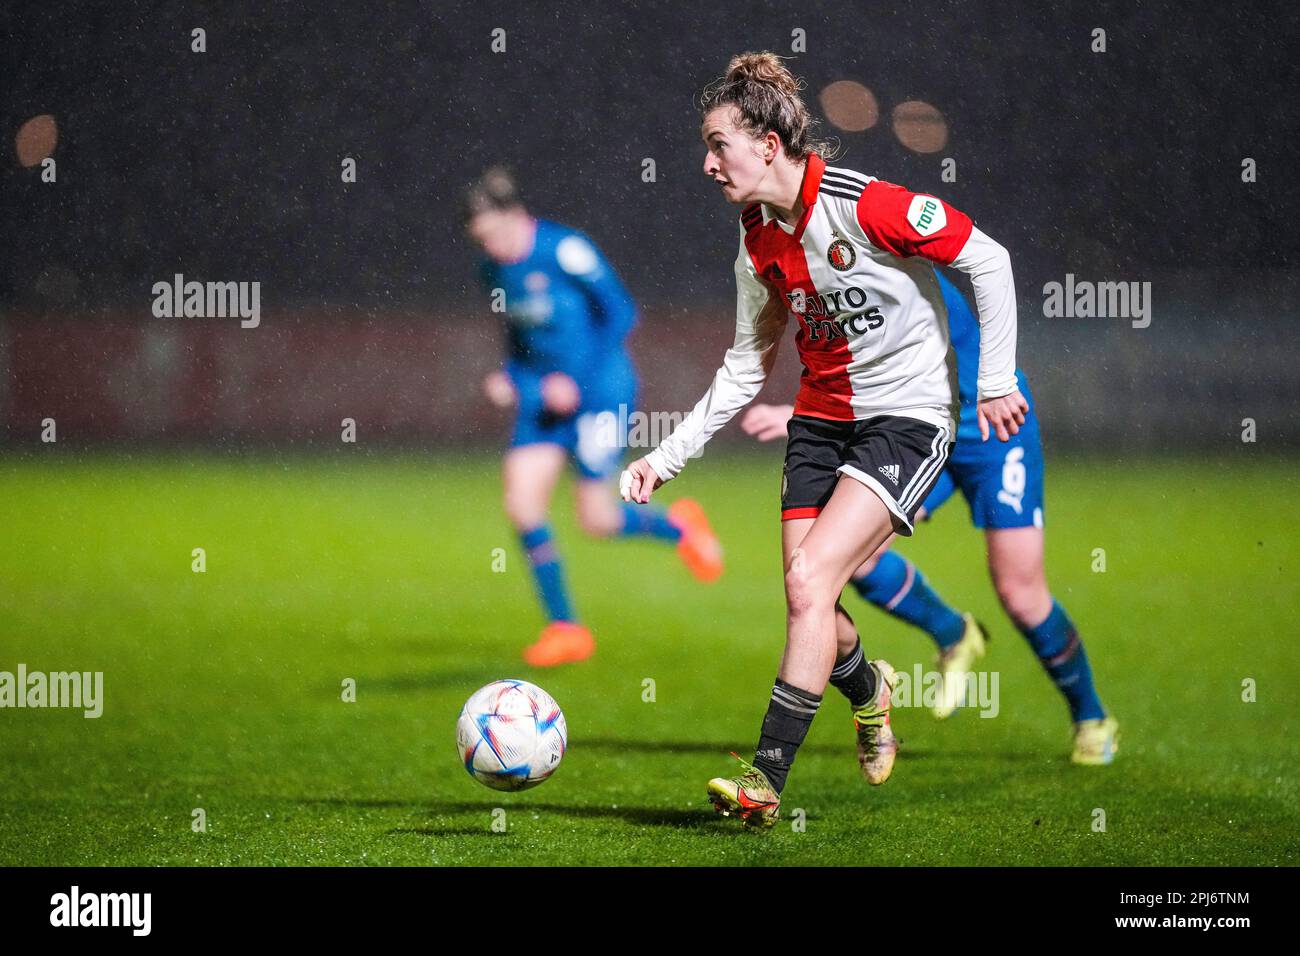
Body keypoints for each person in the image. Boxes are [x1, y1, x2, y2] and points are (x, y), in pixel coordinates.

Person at [620, 53, 1027, 829]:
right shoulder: (755, 240)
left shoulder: (863, 204)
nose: (707, 165)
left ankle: (764, 782)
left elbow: (988, 257)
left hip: (907, 418)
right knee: (813, 599)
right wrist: (665, 457)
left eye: (718, 145)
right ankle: (871, 693)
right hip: (819, 421)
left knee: (810, 581)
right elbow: (747, 363)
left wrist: (995, 380)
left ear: (769, 144)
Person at [741, 269, 1119, 764]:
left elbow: (893, 358)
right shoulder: (839, 271)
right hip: (921, 428)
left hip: (991, 425)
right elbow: (859, 369)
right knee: (855, 559)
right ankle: (952, 631)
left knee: (1020, 592)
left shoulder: (891, 266)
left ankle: (1091, 717)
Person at [466, 167, 723, 668]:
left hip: (602, 395)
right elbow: (517, 336)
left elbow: (622, 313)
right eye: (481, 239)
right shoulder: (492, 270)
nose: (491, 246)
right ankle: (566, 629)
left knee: (598, 519)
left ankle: (681, 527)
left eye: (495, 233)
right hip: (544, 398)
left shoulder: (566, 251)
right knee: (521, 506)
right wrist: (514, 377)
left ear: (517, 216)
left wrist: (576, 384)